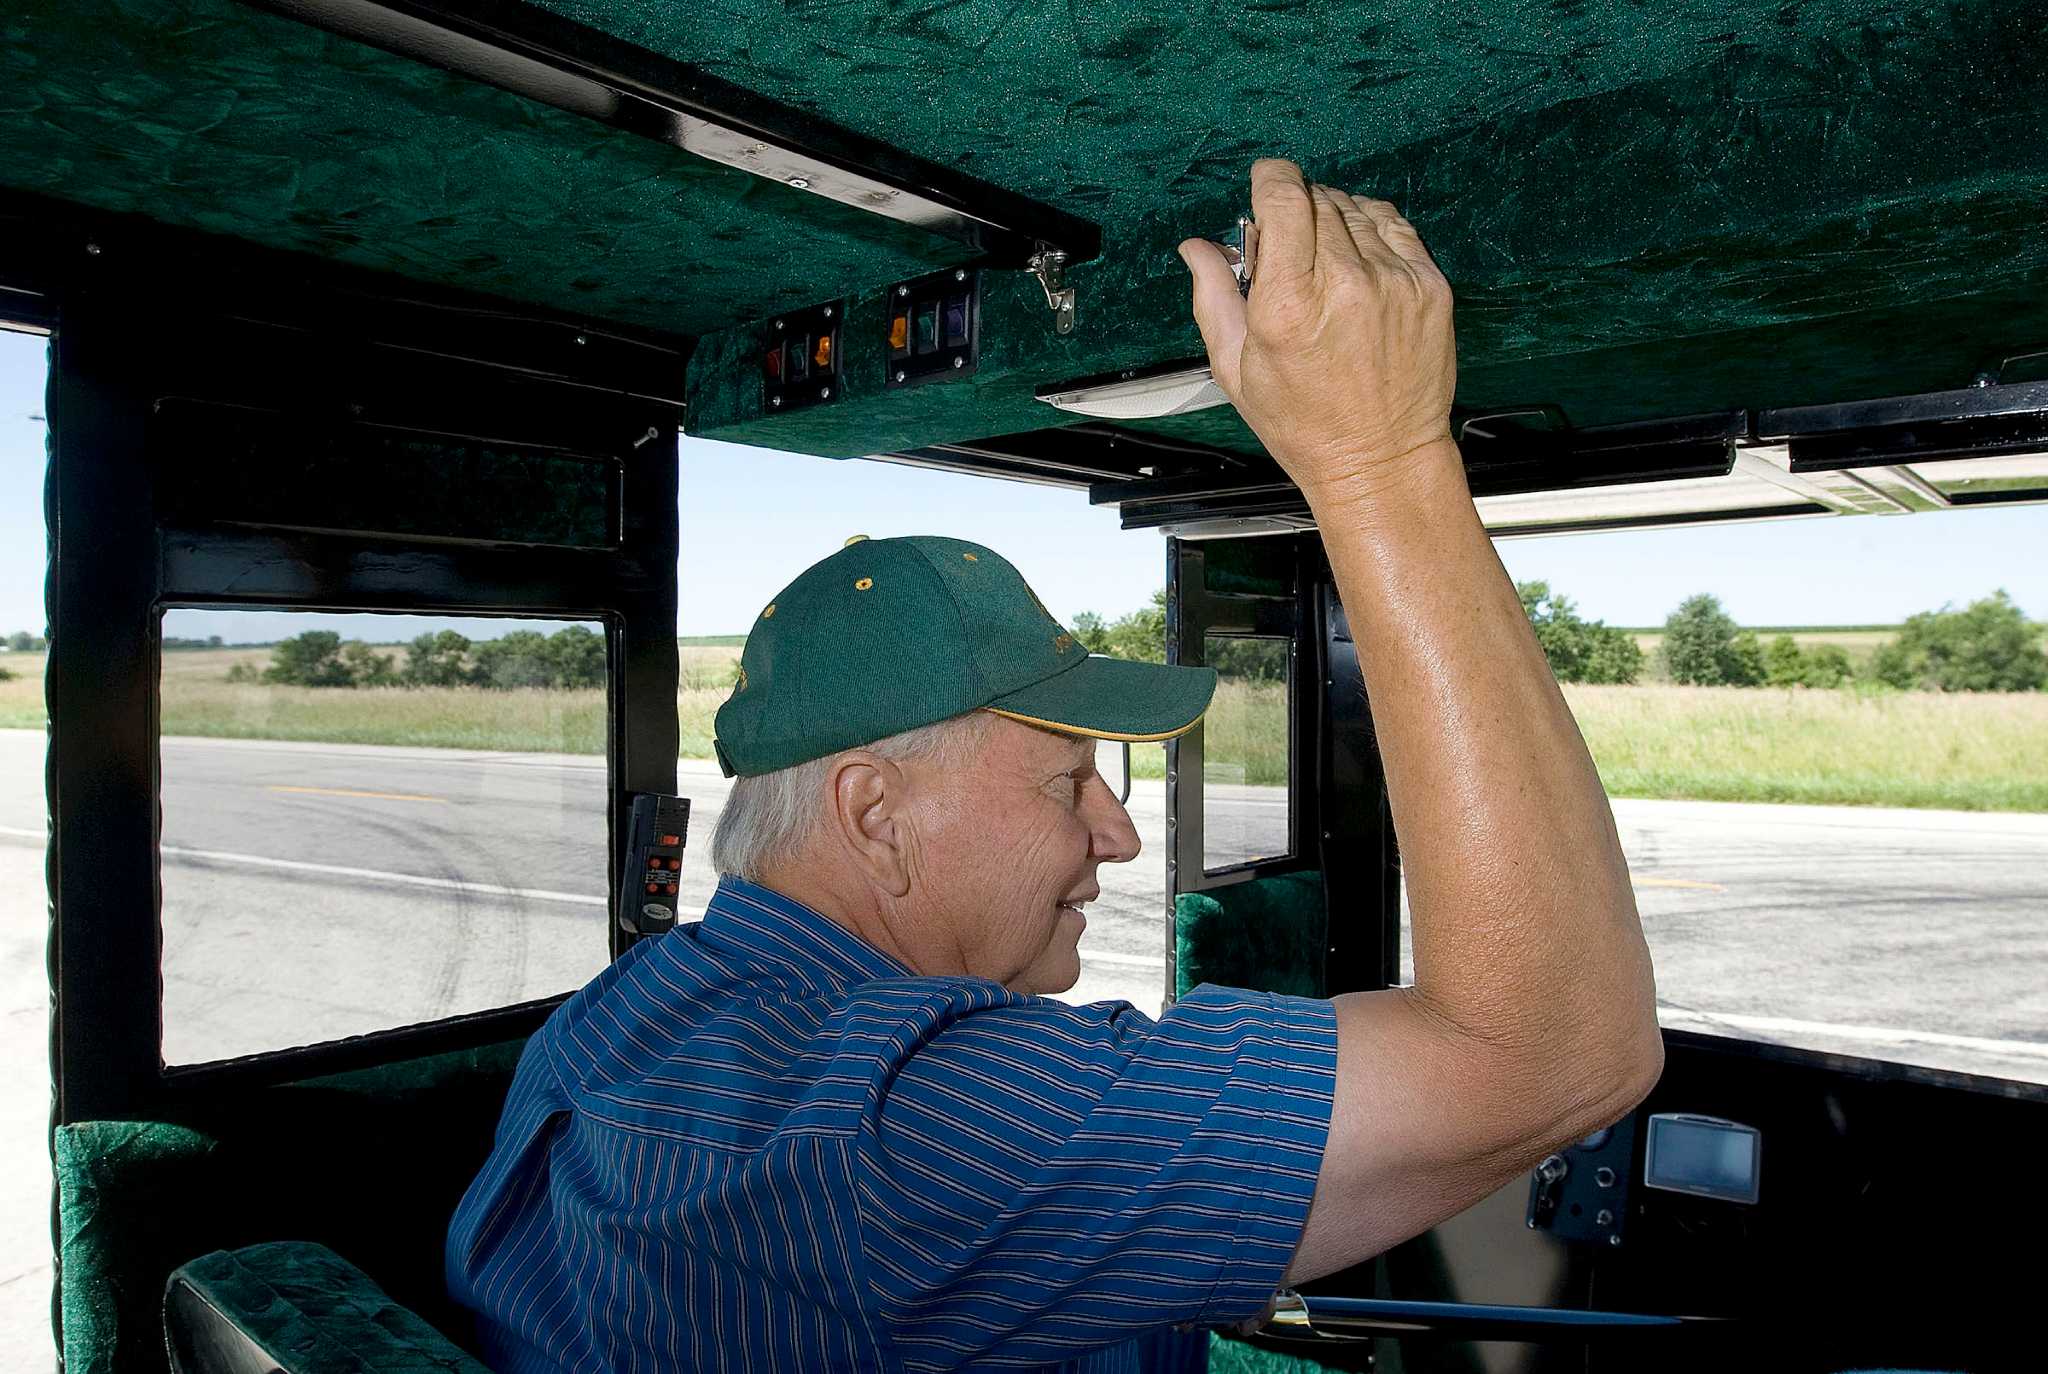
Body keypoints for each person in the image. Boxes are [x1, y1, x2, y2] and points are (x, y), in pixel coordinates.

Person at [446, 158, 1662, 1372]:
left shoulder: (619, 1020)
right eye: (1065, 780)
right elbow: (1552, 1056)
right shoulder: (911, 1127)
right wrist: (1380, 460)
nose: (1118, 835)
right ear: (874, 814)